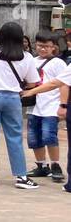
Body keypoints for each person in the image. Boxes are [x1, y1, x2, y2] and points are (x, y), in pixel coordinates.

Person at [0, 20, 40, 189]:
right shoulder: (27, 57)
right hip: (13, 99)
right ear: (21, 38)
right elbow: (33, 83)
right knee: (15, 137)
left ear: (1, 36)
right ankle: (21, 177)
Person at [25, 30, 67, 182]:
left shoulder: (58, 63)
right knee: (34, 137)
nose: (43, 49)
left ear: (53, 47)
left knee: (49, 136)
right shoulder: (31, 61)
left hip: (51, 105)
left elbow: (63, 84)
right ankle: (41, 165)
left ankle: (55, 165)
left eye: (46, 46)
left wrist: (63, 104)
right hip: (34, 106)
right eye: (40, 45)